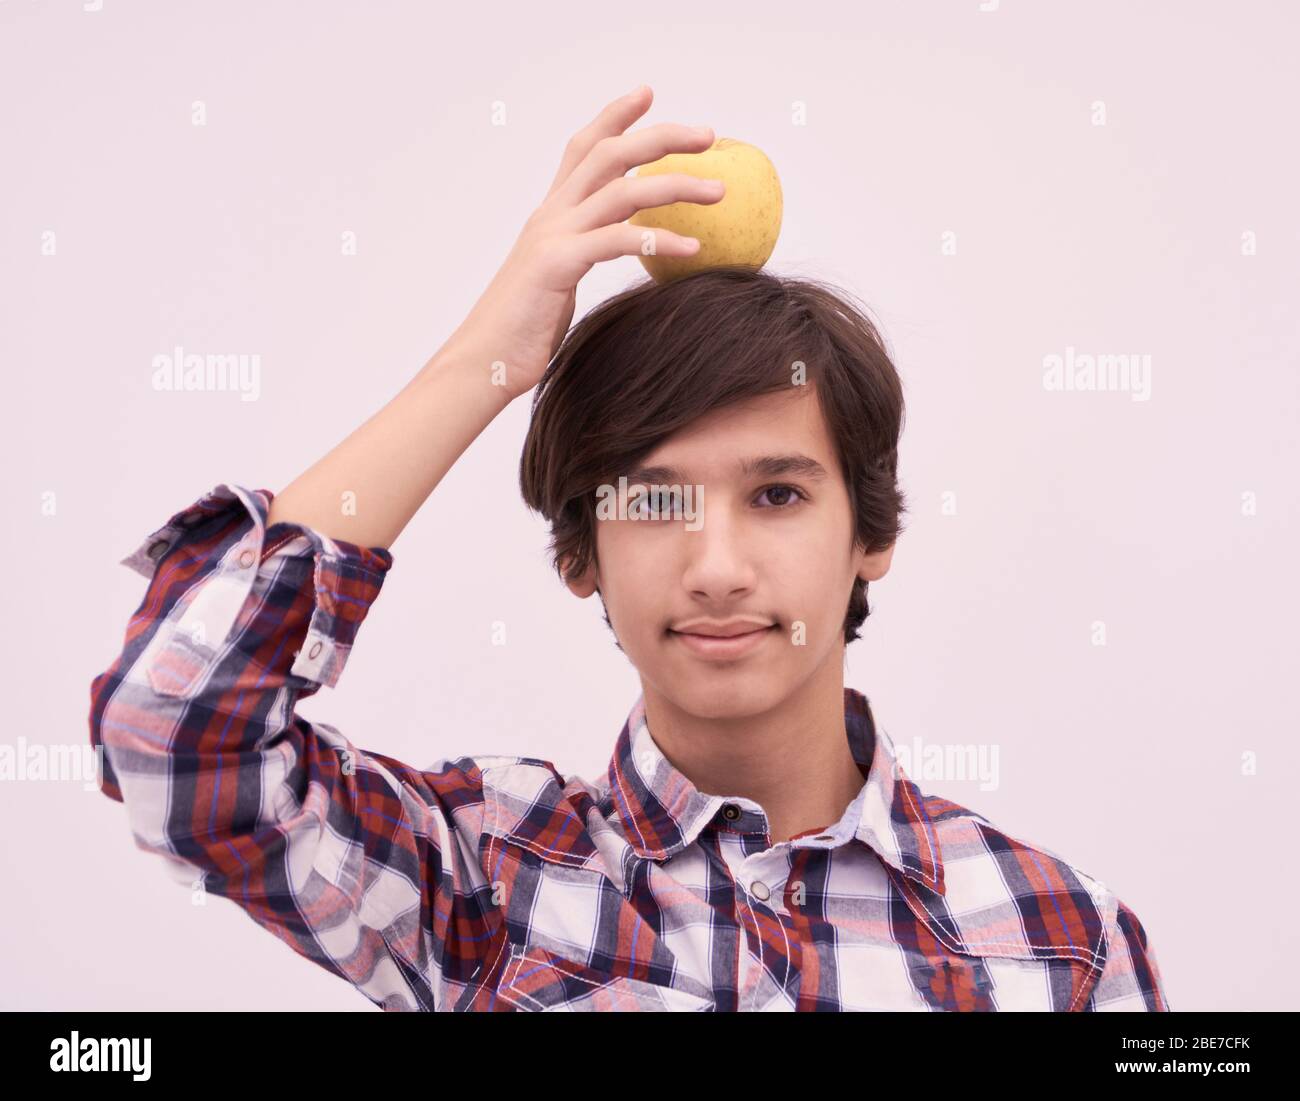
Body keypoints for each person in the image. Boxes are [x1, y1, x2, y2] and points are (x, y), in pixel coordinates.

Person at [87, 84, 1169, 1012]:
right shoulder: (481, 877)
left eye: (779, 494)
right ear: (580, 555)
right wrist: (490, 361)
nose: (715, 565)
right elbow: (172, 731)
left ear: (871, 534)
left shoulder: (1060, 947)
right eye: (652, 504)